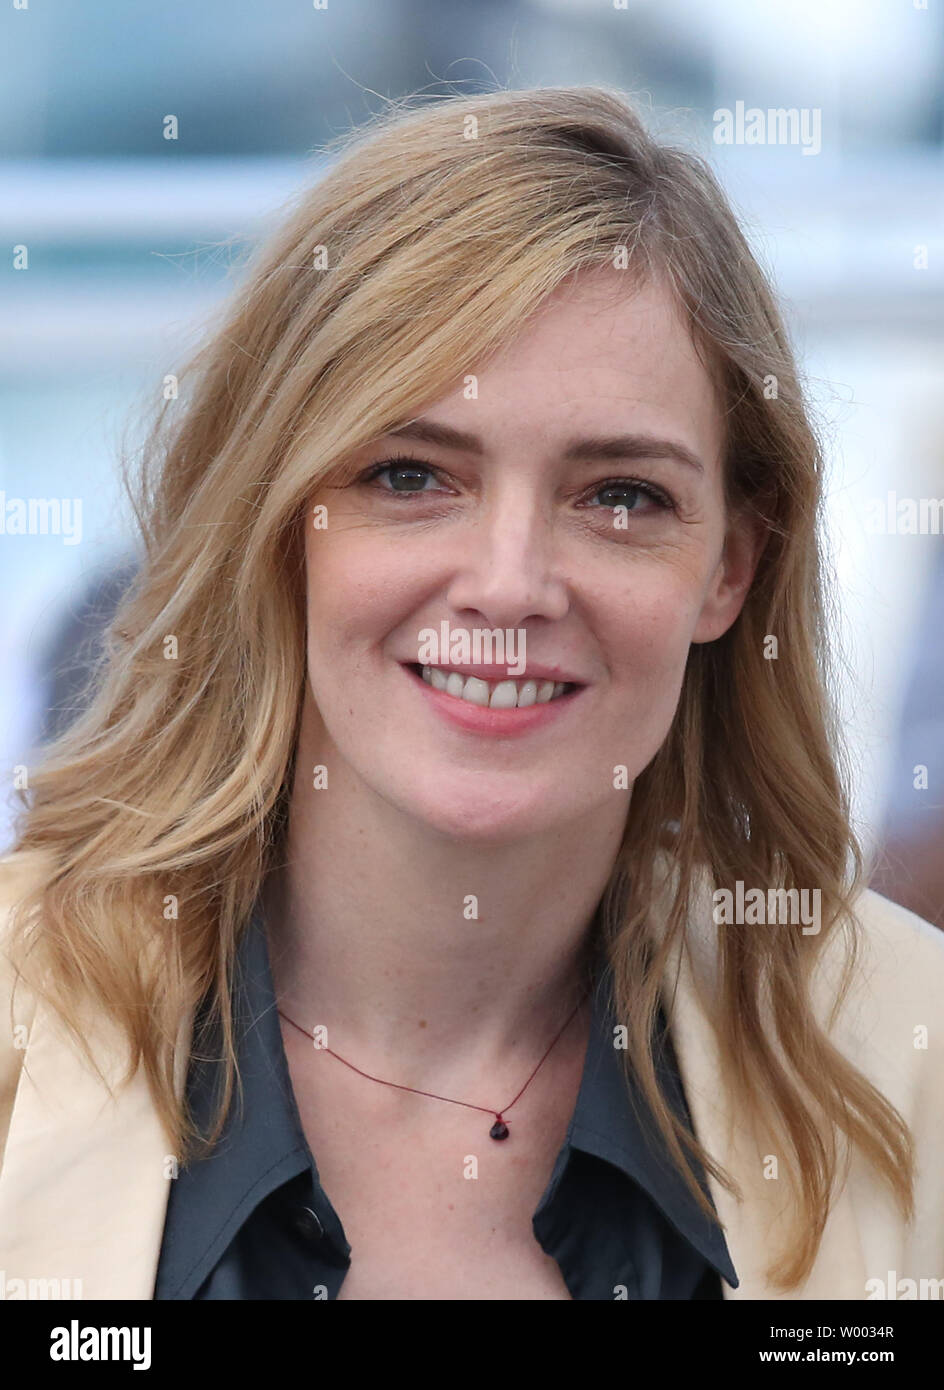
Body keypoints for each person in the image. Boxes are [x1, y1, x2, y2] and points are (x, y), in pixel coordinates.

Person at [1, 86, 942, 1302]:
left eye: (619, 496)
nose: (509, 585)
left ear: (729, 570)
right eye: (409, 474)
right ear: (277, 521)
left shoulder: (911, 1058)